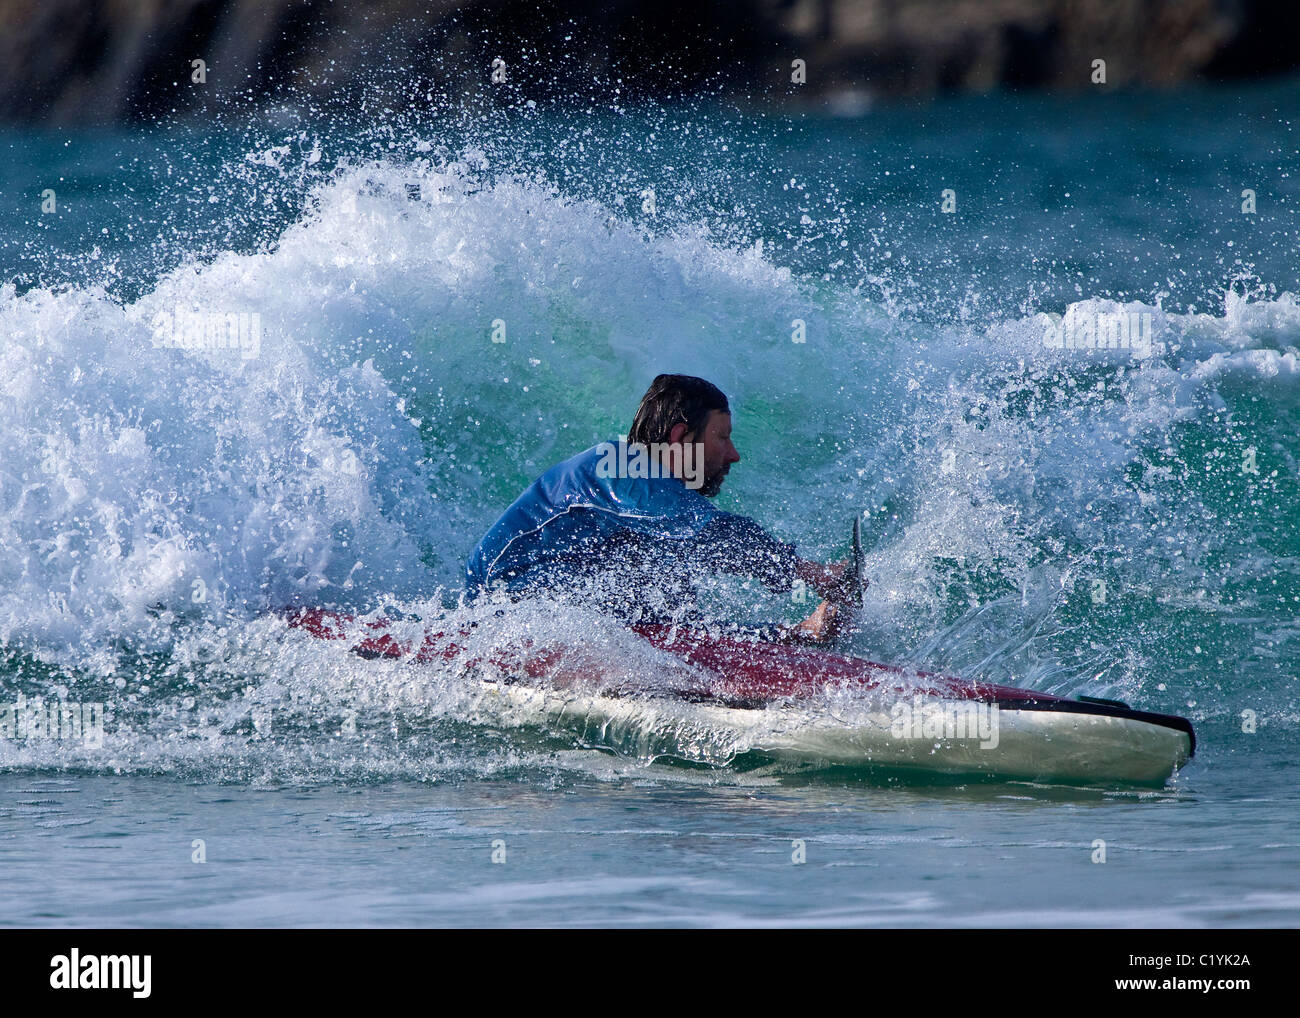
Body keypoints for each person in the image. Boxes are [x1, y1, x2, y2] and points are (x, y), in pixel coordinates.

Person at [465, 374, 860, 643]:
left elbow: (674, 632)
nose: (734, 455)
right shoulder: (619, 466)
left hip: (560, 623)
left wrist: (792, 634)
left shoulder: (652, 523)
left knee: (667, 611)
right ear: (679, 436)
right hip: (501, 613)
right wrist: (816, 574)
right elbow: (715, 535)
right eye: (721, 438)